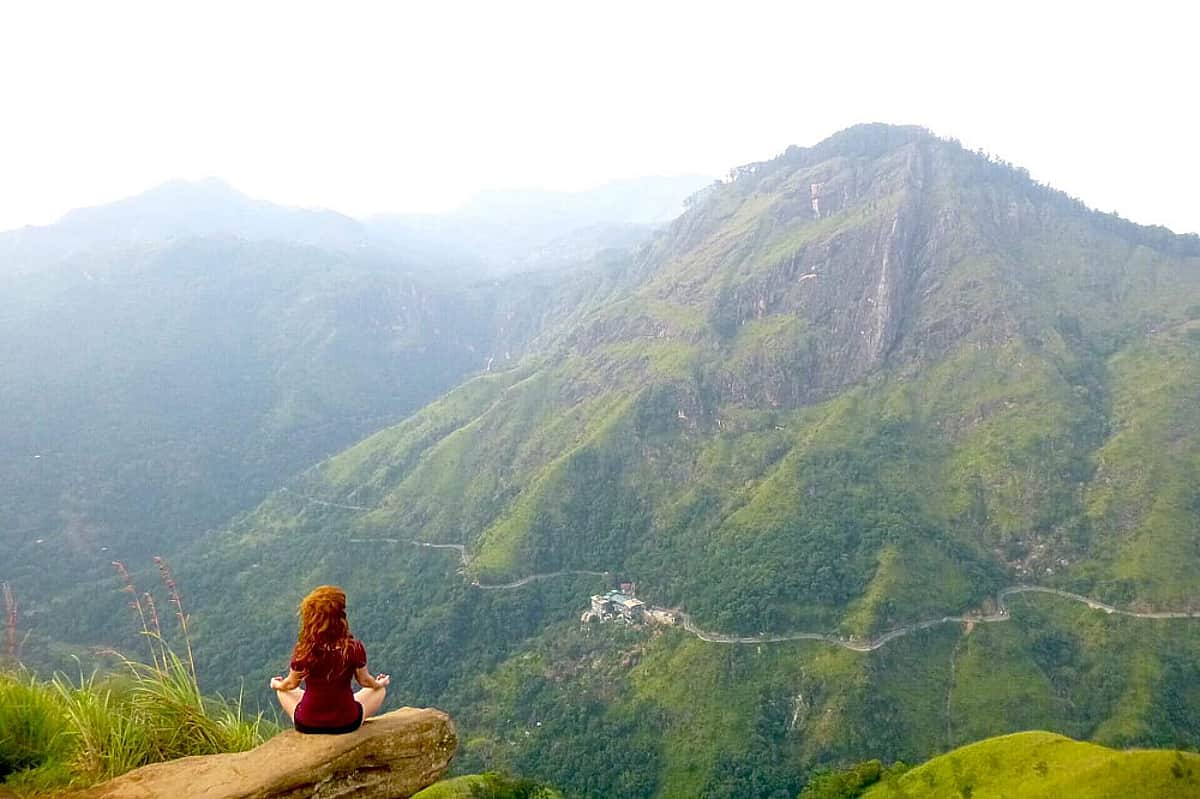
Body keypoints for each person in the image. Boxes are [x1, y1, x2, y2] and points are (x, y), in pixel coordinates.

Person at [269, 585, 390, 733]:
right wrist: (379, 683)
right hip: (346, 722)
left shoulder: (304, 650)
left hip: (307, 723)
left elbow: (290, 684)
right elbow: (365, 681)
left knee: (283, 691)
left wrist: (276, 684)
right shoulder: (353, 648)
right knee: (379, 691)